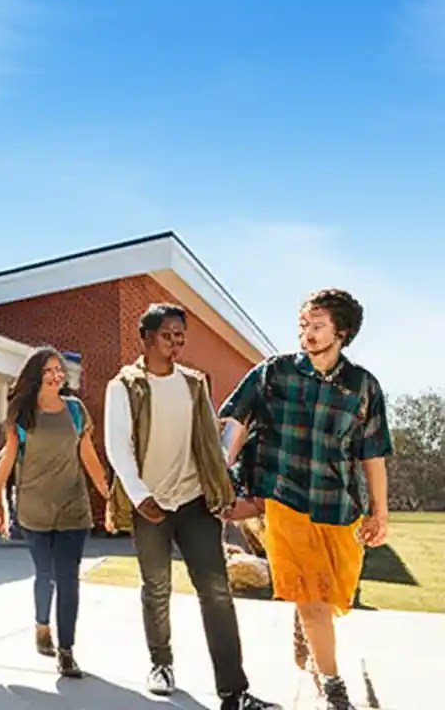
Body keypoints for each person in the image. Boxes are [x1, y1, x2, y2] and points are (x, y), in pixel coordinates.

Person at [219, 288, 392, 710]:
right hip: (285, 497)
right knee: (314, 602)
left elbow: (373, 453)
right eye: (303, 325)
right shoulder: (273, 373)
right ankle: (334, 687)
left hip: (339, 504)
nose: (307, 333)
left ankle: (309, 638)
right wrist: (222, 468)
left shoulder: (362, 386)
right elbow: (235, 419)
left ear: (342, 332)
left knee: (333, 596)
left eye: (317, 326)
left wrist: (379, 512)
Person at [103, 303, 279, 710]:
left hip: (194, 501)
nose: (176, 342)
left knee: (217, 592)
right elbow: (118, 446)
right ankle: (161, 663)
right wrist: (139, 495)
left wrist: (221, 490)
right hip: (150, 506)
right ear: (145, 339)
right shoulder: (125, 386)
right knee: (157, 588)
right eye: (167, 335)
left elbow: (209, 445)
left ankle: (234, 692)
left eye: (181, 335)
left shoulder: (194, 383)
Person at [0, 347, 110, 678]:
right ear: (35, 376)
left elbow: (88, 455)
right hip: (34, 510)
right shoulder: (23, 413)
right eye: (50, 370)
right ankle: (42, 625)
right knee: (46, 575)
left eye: (60, 370)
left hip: (73, 508)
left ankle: (66, 650)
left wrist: (107, 495)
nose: (58, 375)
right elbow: (9, 456)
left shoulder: (75, 411)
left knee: (68, 578)